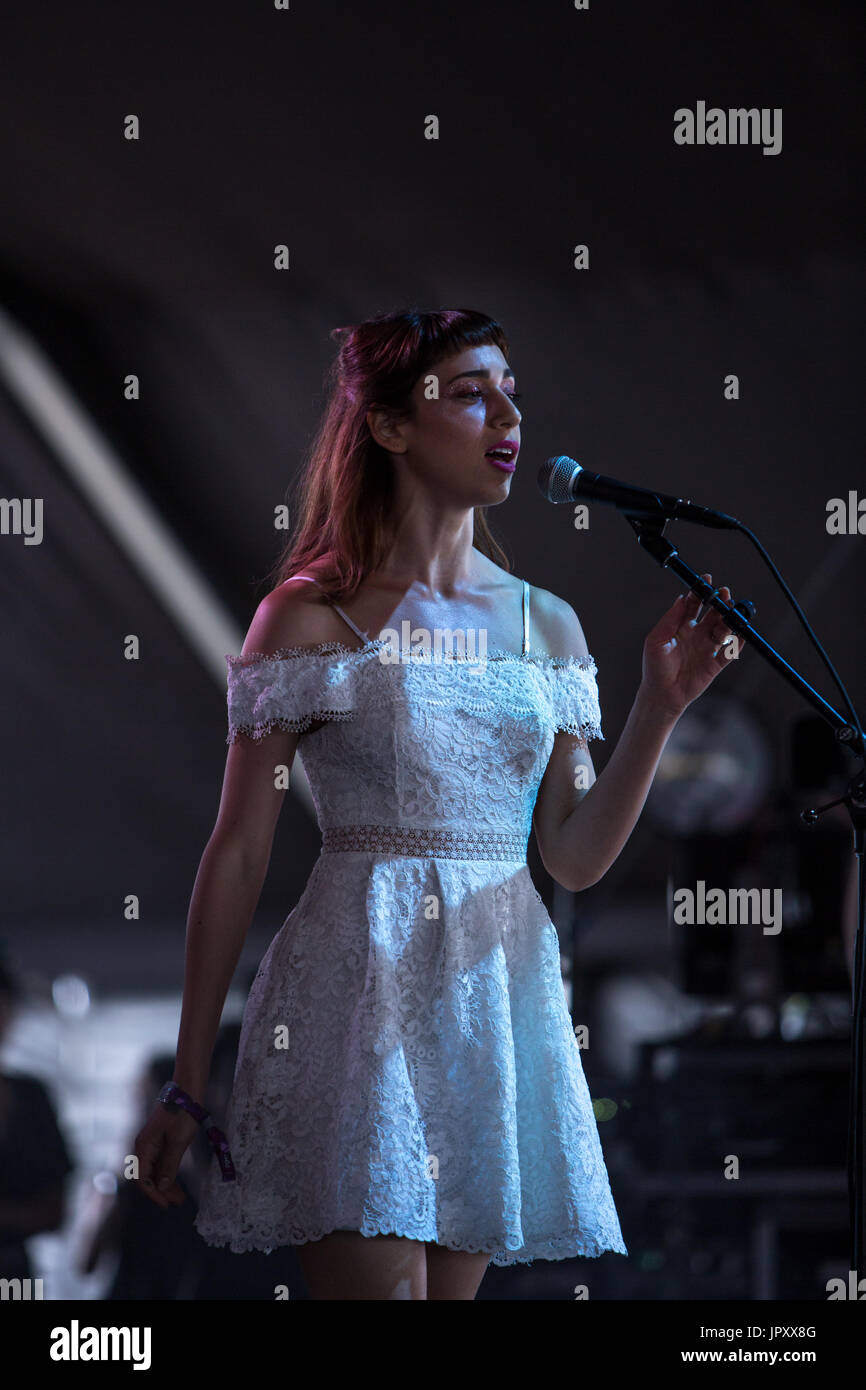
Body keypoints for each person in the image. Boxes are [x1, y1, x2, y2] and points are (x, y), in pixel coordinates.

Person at [135, 308, 742, 1300]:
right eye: (468, 391)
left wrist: (658, 712)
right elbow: (237, 851)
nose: (506, 411)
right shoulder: (306, 613)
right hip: (355, 985)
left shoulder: (546, 620)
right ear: (388, 426)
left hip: (491, 993)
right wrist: (186, 1079)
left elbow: (575, 856)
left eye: (509, 389)